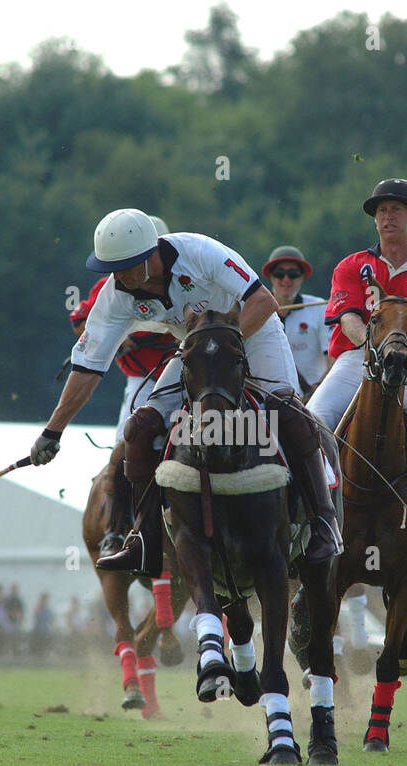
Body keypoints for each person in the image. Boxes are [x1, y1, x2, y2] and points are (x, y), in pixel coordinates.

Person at [30, 207, 340, 577]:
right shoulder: (117, 295)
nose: (118, 277)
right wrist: (53, 431)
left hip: (253, 334)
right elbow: (88, 367)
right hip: (194, 350)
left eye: (126, 266)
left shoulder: (201, 254)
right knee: (140, 427)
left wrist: (226, 351)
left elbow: (263, 302)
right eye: (111, 268)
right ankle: (143, 540)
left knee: (287, 412)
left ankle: (324, 522)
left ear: (149, 256)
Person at [304, 178, 407, 572]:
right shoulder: (352, 266)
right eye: (381, 210)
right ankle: (302, 511)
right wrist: (375, 344)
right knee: (308, 423)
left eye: (396, 209)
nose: (387, 216)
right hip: (357, 361)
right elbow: (347, 318)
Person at [71, 215, 182, 556]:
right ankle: (116, 530)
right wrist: (118, 340)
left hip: (185, 373)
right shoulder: (111, 287)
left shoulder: (183, 278)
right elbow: (81, 321)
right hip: (141, 382)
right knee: (124, 446)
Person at [262, 245, 330, 399]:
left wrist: (318, 389)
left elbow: (333, 359)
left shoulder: (319, 308)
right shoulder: (256, 309)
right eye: (279, 273)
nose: (286, 279)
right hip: (267, 397)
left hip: (312, 398)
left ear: (302, 277)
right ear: (270, 276)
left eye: (293, 274)